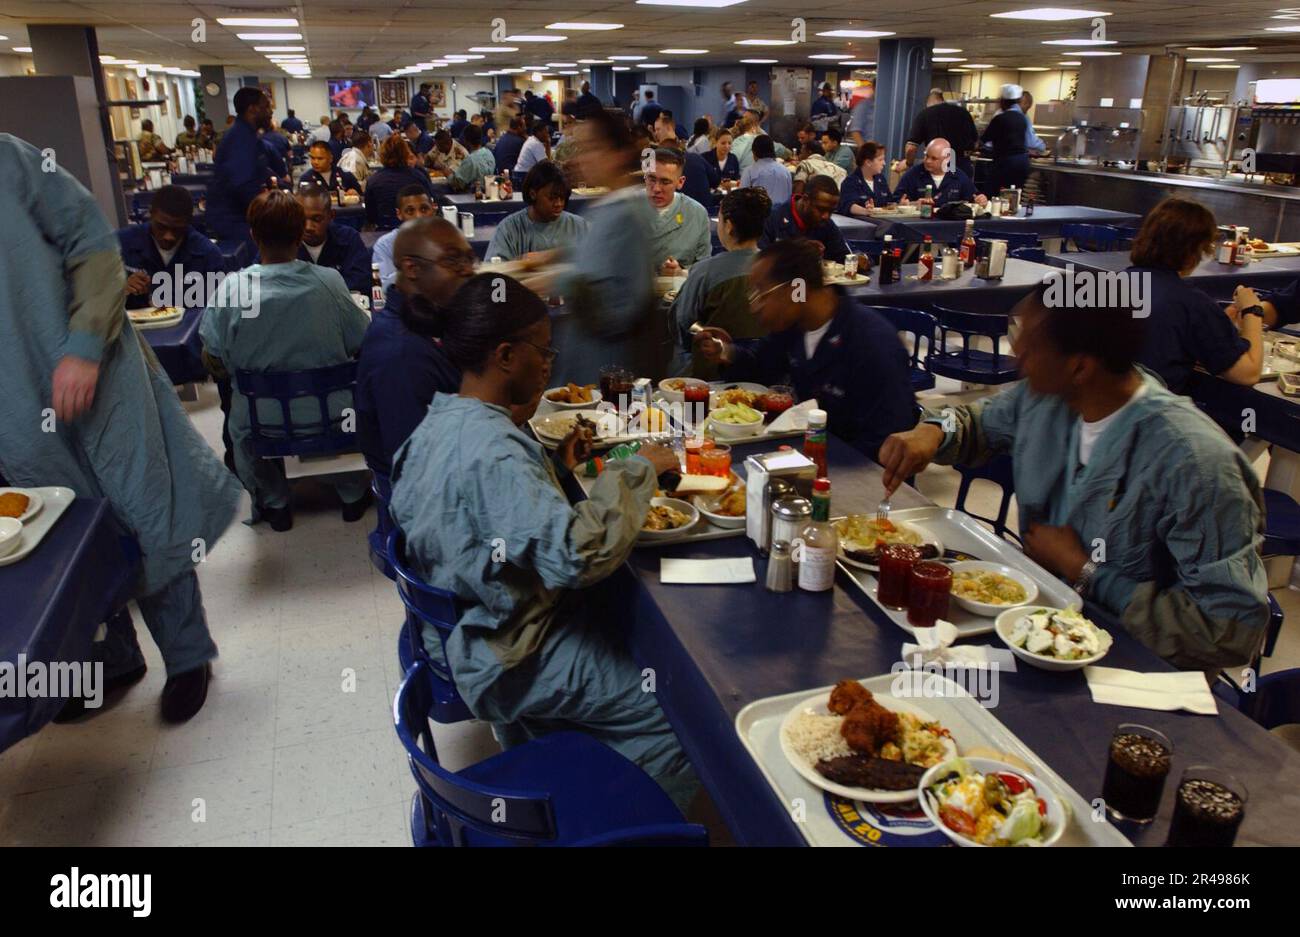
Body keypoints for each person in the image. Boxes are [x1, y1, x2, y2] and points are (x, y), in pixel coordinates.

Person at [388, 272, 698, 809]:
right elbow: (577, 557)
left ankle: (553, 750)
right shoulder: (495, 452)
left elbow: (484, 517)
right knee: (678, 712)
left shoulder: (440, 422)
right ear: (506, 355)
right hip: (506, 650)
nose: (550, 361)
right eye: (544, 350)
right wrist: (637, 471)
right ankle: (619, 822)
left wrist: (554, 468)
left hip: (459, 628)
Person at [878, 283, 1269, 672]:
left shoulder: (1195, 464)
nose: (1016, 355)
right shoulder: (1046, 400)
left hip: (1135, 671)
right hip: (1036, 632)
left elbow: (1228, 632)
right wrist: (935, 430)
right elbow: (977, 422)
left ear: (1080, 367)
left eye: (1029, 347)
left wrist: (1085, 570)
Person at [0, 133, 240, 723]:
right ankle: (111, 659)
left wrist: (83, 345)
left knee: (146, 511)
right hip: (14, 406)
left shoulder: (13, 160)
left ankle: (187, 657)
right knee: (62, 533)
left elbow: (93, 245)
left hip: (97, 368)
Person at [199, 189, 371, 530]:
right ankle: (351, 493)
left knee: (237, 413)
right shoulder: (330, 283)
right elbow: (362, 339)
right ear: (299, 234)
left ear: (253, 235)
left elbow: (213, 358)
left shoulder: (232, 289)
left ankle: (274, 502)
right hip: (331, 412)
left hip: (261, 417)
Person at [694, 239, 916, 459]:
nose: (754, 307)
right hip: (805, 450)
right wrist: (725, 351)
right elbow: (760, 365)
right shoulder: (795, 327)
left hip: (856, 471)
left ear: (797, 289)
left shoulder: (871, 342)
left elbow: (889, 441)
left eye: (761, 293)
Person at [533, 110, 658, 384]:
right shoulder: (606, 205)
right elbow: (597, 259)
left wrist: (554, 280)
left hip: (608, 359)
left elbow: (622, 301)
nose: (580, 158)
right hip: (586, 350)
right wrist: (557, 256)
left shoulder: (627, 214)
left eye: (591, 148)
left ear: (619, 154)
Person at [356, 217, 469, 475]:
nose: (467, 270)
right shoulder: (401, 354)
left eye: (468, 259)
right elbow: (415, 468)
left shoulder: (431, 318)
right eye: (453, 261)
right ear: (412, 268)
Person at [1124, 198, 1261, 394]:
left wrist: (1218, 323)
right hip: (1153, 415)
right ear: (1193, 251)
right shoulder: (1191, 302)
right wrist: (1252, 311)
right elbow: (1248, 374)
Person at [669, 187, 771, 378]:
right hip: (768, 372)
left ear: (729, 225)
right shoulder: (778, 268)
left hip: (713, 375)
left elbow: (683, 323)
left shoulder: (704, 272)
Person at [117, 184, 225, 310]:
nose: (169, 237)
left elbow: (217, 314)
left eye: (177, 229)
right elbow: (96, 302)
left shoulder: (208, 255)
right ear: (151, 214)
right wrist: (120, 290)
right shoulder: (120, 245)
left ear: (189, 221)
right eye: (161, 227)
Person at [276, 183, 373, 293]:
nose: (308, 227)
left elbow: (362, 281)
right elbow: (259, 278)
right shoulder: (281, 242)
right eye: (301, 218)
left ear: (331, 216)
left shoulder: (348, 239)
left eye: (316, 219)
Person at [485, 160, 588, 261]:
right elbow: (494, 275)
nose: (559, 204)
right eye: (552, 198)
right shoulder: (509, 230)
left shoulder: (579, 226)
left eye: (562, 198)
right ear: (533, 194)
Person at [206, 86, 273, 242]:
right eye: (266, 107)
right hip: (234, 220)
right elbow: (244, 186)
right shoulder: (240, 140)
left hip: (240, 215)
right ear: (253, 109)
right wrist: (270, 210)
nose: (270, 112)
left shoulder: (247, 135)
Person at [645, 147, 712, 275]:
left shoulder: (697, 214)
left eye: (665, 182)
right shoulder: (628, 208)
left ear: (680, 182)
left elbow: (704, 268)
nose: (657, 188)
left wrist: (680, 272)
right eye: (651, 179)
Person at [759, 174, 850, 261]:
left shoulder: (827, 224)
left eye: (831, 211)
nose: (826, 216)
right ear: (806, 200)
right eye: (821, 209)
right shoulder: (772, 217)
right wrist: (798, 251)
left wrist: (859, 259)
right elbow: (759, 259)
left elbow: (843, 257)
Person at [366, 134, 436, 230]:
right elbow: (431, 204)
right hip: (416, 230)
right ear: (406, 153)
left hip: (384, 230)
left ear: (382, 154)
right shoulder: (419, 176)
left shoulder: (373, 180)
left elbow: (371, 216)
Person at [372, 184, 435, 289]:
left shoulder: (445, 238)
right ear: (399, 214)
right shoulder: (385, 244)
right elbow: (384, 287)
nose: (418, 216)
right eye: (410, 211)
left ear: (433, 209)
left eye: (424, 209)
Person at [905, 89, 979, 178]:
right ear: (942, 100)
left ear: (928, 104)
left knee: (936, 191)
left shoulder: (925, 114)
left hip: (939, 166)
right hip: (963, 166)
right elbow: (976, 144)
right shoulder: (964, 113)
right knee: (963, 191)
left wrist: (909, 164)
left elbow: (911, 148)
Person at [893, 137, 987, 207]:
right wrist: (909, 204)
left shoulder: (959, 176)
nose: (928, 161)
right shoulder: (912, 174)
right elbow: (895, 202)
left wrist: (980, 199)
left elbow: (974, 197)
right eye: (926, 156)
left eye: (934, 158)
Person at [980, 84, 1032, 194]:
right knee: (1014, 194)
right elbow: (1031, 141)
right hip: (1022, 163)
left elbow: (983, 141)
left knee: (992, 193)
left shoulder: (999, 119)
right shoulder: (1023, 118)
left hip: (1005, 163)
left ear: (1003, 102)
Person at [837, 140, 894, 217]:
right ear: (868, 162)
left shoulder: (881, 179)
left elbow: (889, 202)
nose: (884, 163)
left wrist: (900, 204)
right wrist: (865, 211)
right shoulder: (850, 182)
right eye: (880, 160)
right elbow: (847, 205)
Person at [739, 134, 792, 206]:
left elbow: (742, 199)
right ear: (773, 151)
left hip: (759, 215)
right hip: (782, 215)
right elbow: (789, 197)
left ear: (754, 152)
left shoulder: (749, 171)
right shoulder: (786, 171)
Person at [449, 124, 495, 193]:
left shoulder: (470, 160)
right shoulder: (489, 153)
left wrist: (445, 170)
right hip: (489, 192)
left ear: (466, 141)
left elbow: (457, 183)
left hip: (472, 195)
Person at [1019, 90, 1049, 156]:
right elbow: (1031, 141)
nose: (1028, 106)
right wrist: (1043, 146)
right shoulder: (1021, 116)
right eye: (1027, 104)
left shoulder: (1023, 115)